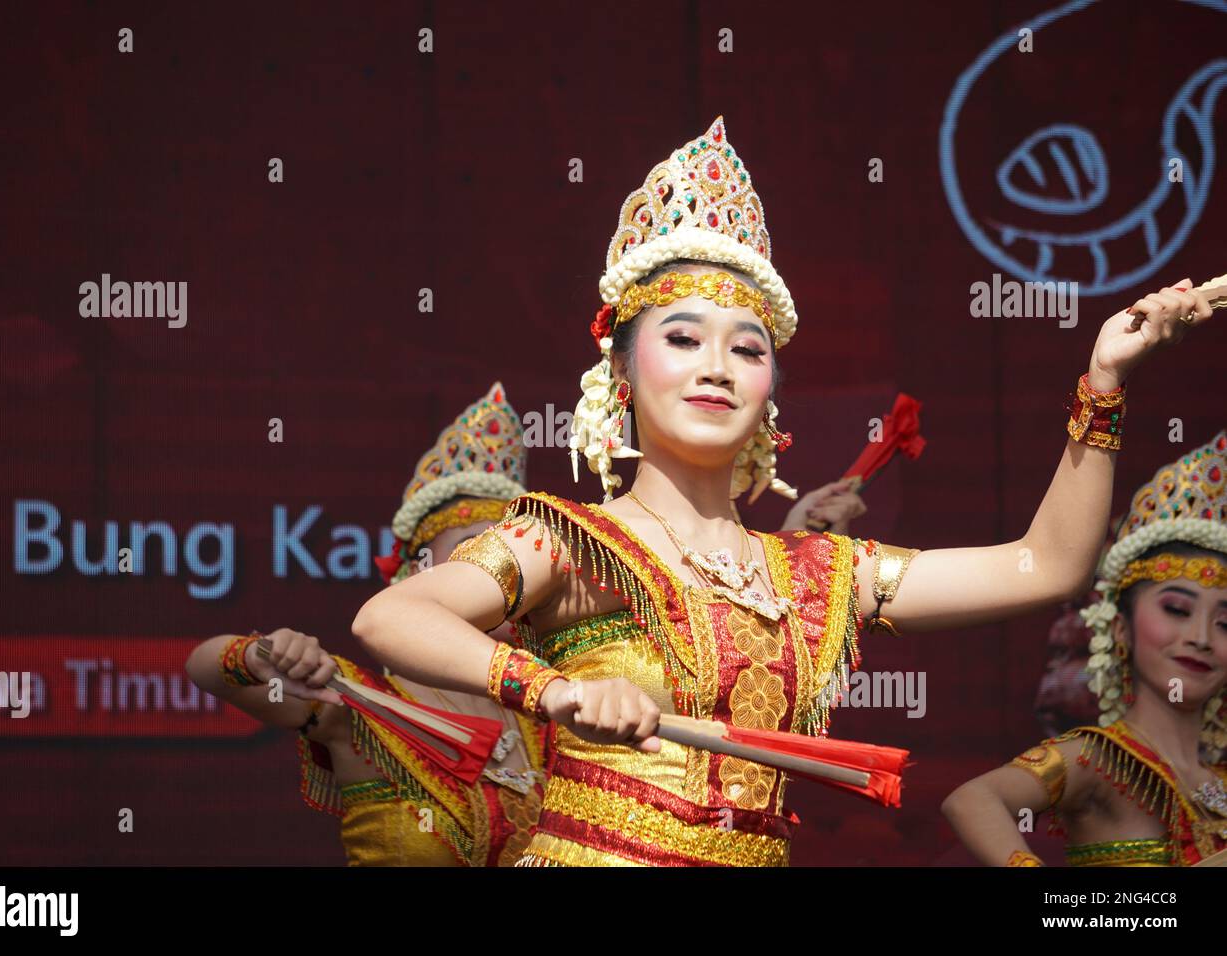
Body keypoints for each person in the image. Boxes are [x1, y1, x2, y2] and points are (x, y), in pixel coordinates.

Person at [350, 115, 1215, 866]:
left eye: (748, 348)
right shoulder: (572, 543)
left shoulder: (817, 575)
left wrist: (1103, 382)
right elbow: (389, 619)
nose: (717, 368)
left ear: (771, 392)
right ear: (620, 377)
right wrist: (553, 691)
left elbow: (1044, 566)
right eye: (683, 339)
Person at [187, 383, 552, 866]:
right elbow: (204, 667)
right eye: (472, 546)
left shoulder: (551, 724)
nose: (495, 566)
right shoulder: (363, 708)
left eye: (509, 555)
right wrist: (261, 653)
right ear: (419, 574)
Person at [942, 430, 1227, 866]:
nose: (1201, 637)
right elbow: (973, 800)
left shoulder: (1219, 780)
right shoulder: (1103, 759)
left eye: (1224, 623)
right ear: (1119, 628)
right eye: (1176, 609)